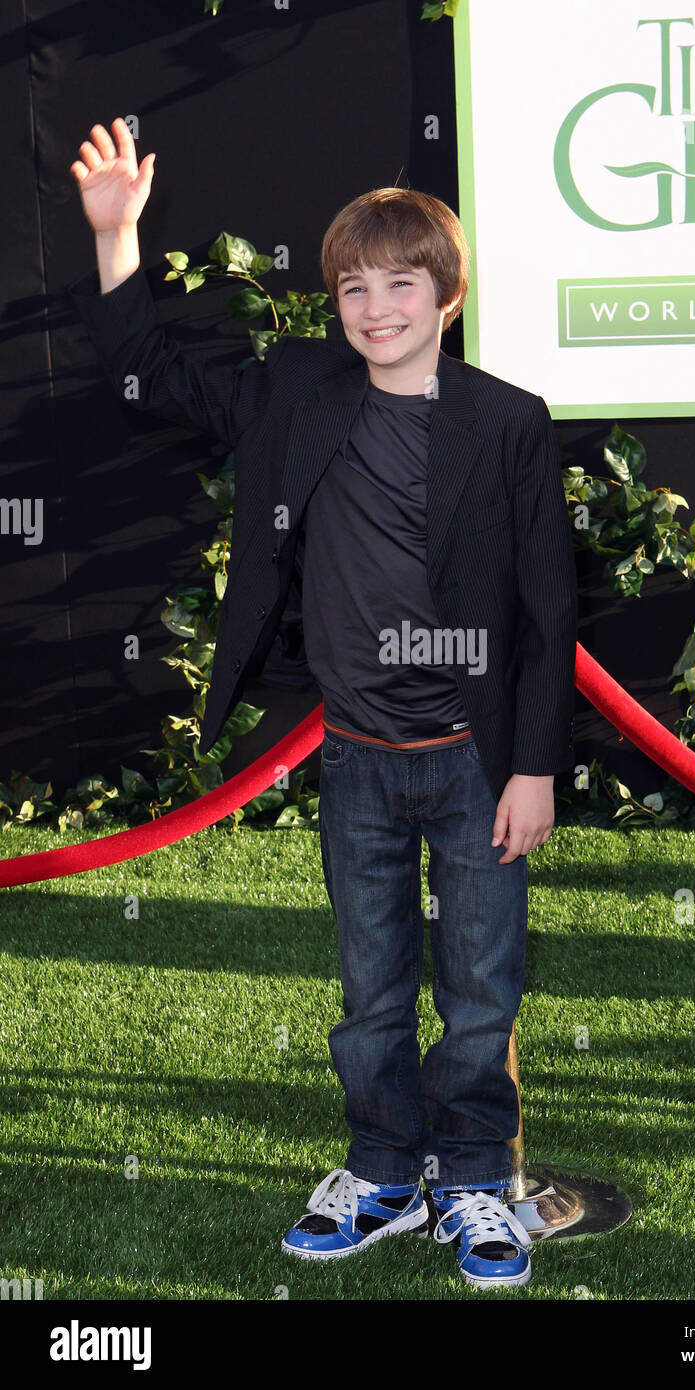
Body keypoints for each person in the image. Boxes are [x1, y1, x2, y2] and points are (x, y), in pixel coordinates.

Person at [68, 118, 579, 1291]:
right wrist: (117, 238)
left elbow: (548, 614)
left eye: (401, 282)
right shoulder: (297, 389)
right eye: (352, 284)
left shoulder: (506, 421)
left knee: (481, 986)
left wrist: (533, 768)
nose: (374, 304)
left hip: (474, 756)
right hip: (352, 755)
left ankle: (475, 1181)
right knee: (369, 990)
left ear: (447, 296)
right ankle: (385, 1170)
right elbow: (148, 374)